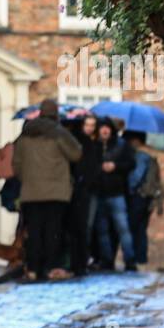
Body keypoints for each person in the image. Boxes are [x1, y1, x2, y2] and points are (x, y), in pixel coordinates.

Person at [11, 98, 82, 281]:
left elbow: (16, 164)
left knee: (34, 232)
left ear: (40, 113)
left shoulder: (25, 134)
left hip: (31, 191)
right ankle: (51, 268)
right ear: (56, 114)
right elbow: (76, 154)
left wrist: (27, 179)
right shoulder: (59, 133)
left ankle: (33, 269)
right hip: (56, 191)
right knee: (53, 232)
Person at [93, 118, 138, 271]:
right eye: (102, 128)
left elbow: (131, 163)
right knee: (102, 230)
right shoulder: (94, 146)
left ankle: (130, 260)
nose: (104, 131)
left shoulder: (120, 145)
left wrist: (115, 166)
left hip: (117, 192)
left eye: (107, 128)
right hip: (99, 192)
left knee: (122, 228)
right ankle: (107, 260)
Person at [63, 112, 102, 277]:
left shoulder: (75, 141)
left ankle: (76, 263)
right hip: (81, 190)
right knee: (81, 229)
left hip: (74, 190)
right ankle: (79, 263)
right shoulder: (84, 142)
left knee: (76, 229)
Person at [124, 130, 164, 266]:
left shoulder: (141, 156)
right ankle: (141, 257)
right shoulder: (150, 154)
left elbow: (137, 176)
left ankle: (136, 257)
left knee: (134, 227)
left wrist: (128, 188)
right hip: (147, 196)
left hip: (139, 196)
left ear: (135, 140)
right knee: (141, 227)